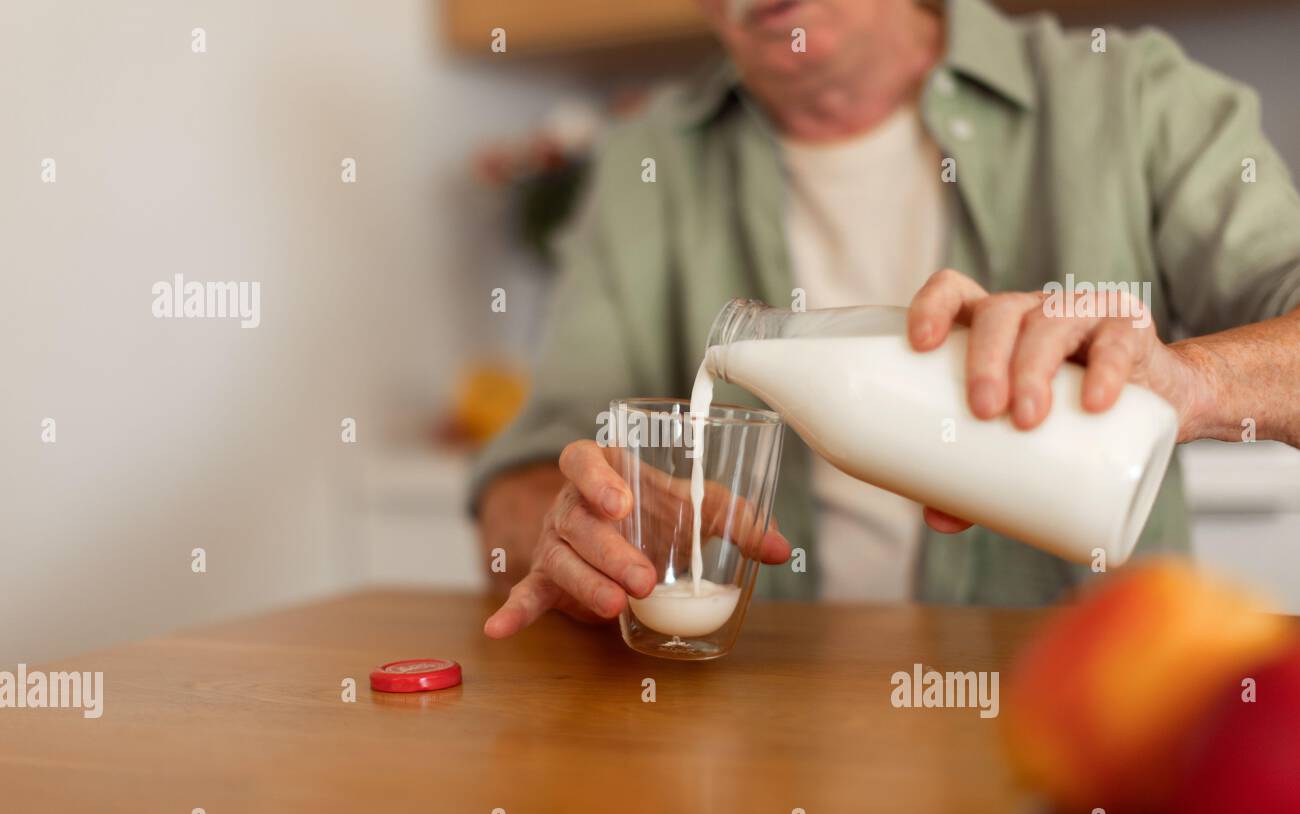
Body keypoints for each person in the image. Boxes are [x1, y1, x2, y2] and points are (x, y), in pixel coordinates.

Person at [472, 0, 1300, 639]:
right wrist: (578, 526)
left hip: (1086, 723)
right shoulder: (646, 162)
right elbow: (522, 484)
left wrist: (1197, 383)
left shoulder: (1129, 97)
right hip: (762, 737)